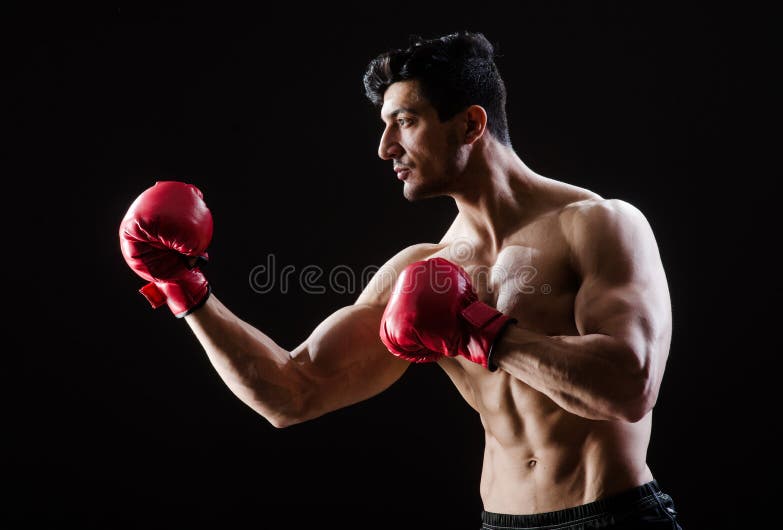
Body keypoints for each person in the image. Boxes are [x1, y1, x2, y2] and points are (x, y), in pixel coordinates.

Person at [119, 31, 682, 529]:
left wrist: (480, 331)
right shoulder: (424, 266)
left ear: (470, 123)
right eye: (385, 127)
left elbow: (630, 388)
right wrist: (186, 291)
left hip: (615, 518)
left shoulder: (599, 224)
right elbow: (292, 392)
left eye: (404, 123)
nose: (385, 148)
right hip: (502, 522)